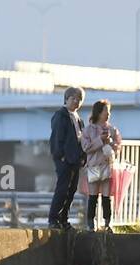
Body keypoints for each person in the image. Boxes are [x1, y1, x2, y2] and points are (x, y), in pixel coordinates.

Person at [79, 100, 122, 231]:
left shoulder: (113, 130)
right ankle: (91, 224)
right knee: (92, 197)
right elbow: (86, 147)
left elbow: (118, 147)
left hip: (107, 165)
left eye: (109, 111)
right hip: (93, 166)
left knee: (106, 197)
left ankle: (108, 223)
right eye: (105, 111)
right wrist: (100, 140)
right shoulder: (88, 130)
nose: (108, 114)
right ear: (98, 112)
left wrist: (111, 143)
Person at [47, 87, 86, 229]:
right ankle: (53, 219)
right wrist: (61, 156)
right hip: (64, 159)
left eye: (79, 99)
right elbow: (57, 138)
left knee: (72, 190)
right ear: (66, 99)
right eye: (73, 98)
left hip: (75, 160)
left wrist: (83, 157)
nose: (76, 101)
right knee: (62, 189)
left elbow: (82, 140)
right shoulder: (60, 115)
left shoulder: (78, 119)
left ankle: (64, 219)